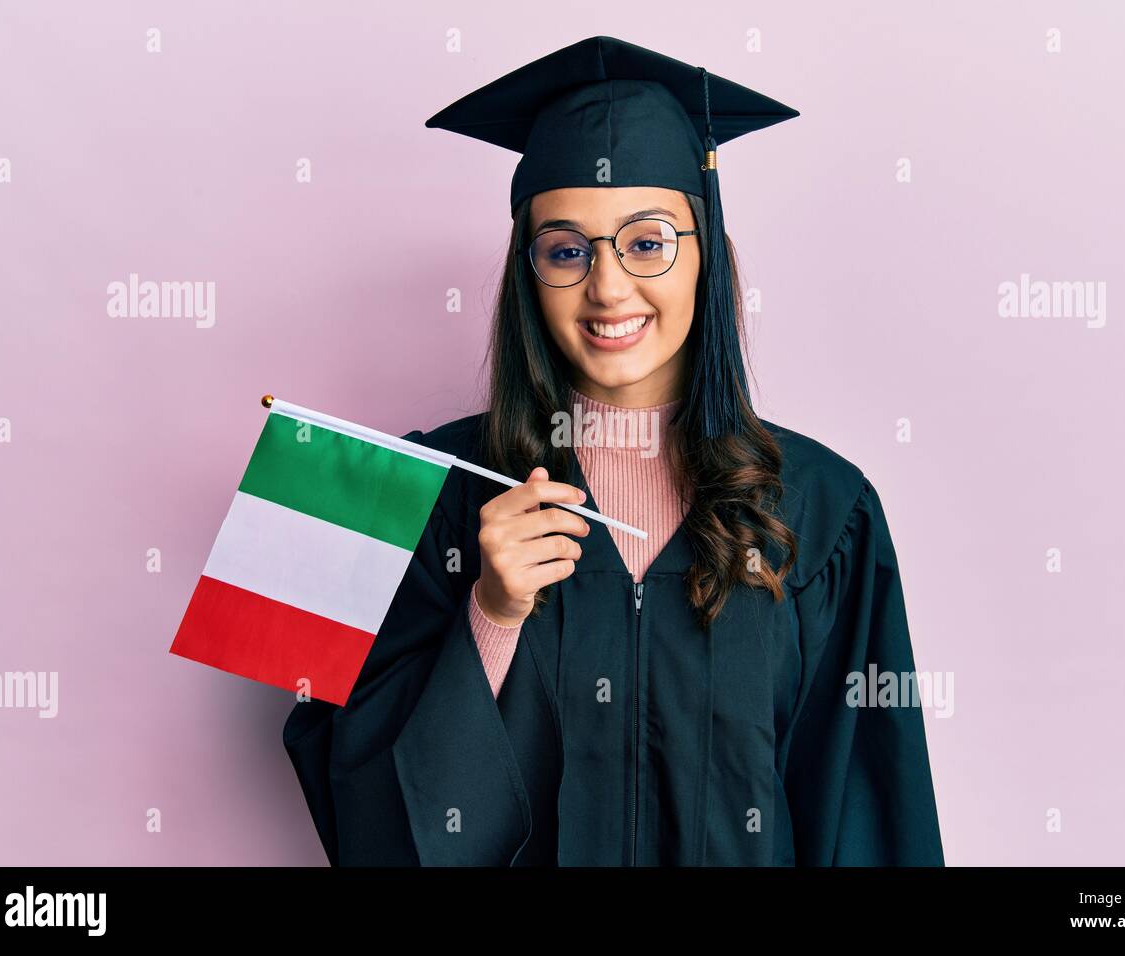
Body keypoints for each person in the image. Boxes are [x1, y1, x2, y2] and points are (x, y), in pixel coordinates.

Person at [282, 35, 945, 866]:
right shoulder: (436, 495)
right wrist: (489, 615)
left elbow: (869, 816)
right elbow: (365, 813)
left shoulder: (820, 510)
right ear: (529, 275)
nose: (607, 286)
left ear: (706, 257)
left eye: (647, 241)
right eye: (567, 249)